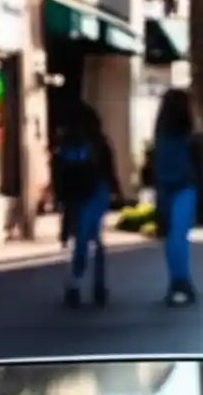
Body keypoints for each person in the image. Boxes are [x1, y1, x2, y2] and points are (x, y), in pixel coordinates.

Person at [53, 103, 119, 307]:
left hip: (76, 195)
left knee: (81, 238)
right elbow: (108, 170)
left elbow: (59, 173)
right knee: (94, 239)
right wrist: (116, 192)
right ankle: (97, 286)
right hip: (97, 192)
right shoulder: (99, 142)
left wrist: (60, 197)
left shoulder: (65, 144)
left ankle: (75, 283)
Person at [150, 88, 203, 306]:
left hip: (165, 189)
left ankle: (178, 281)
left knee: (171, 237)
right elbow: (199, 166)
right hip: (185, 187)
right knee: (179, 235)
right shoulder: (191, 135)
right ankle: (181, 282)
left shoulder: (161, 136)